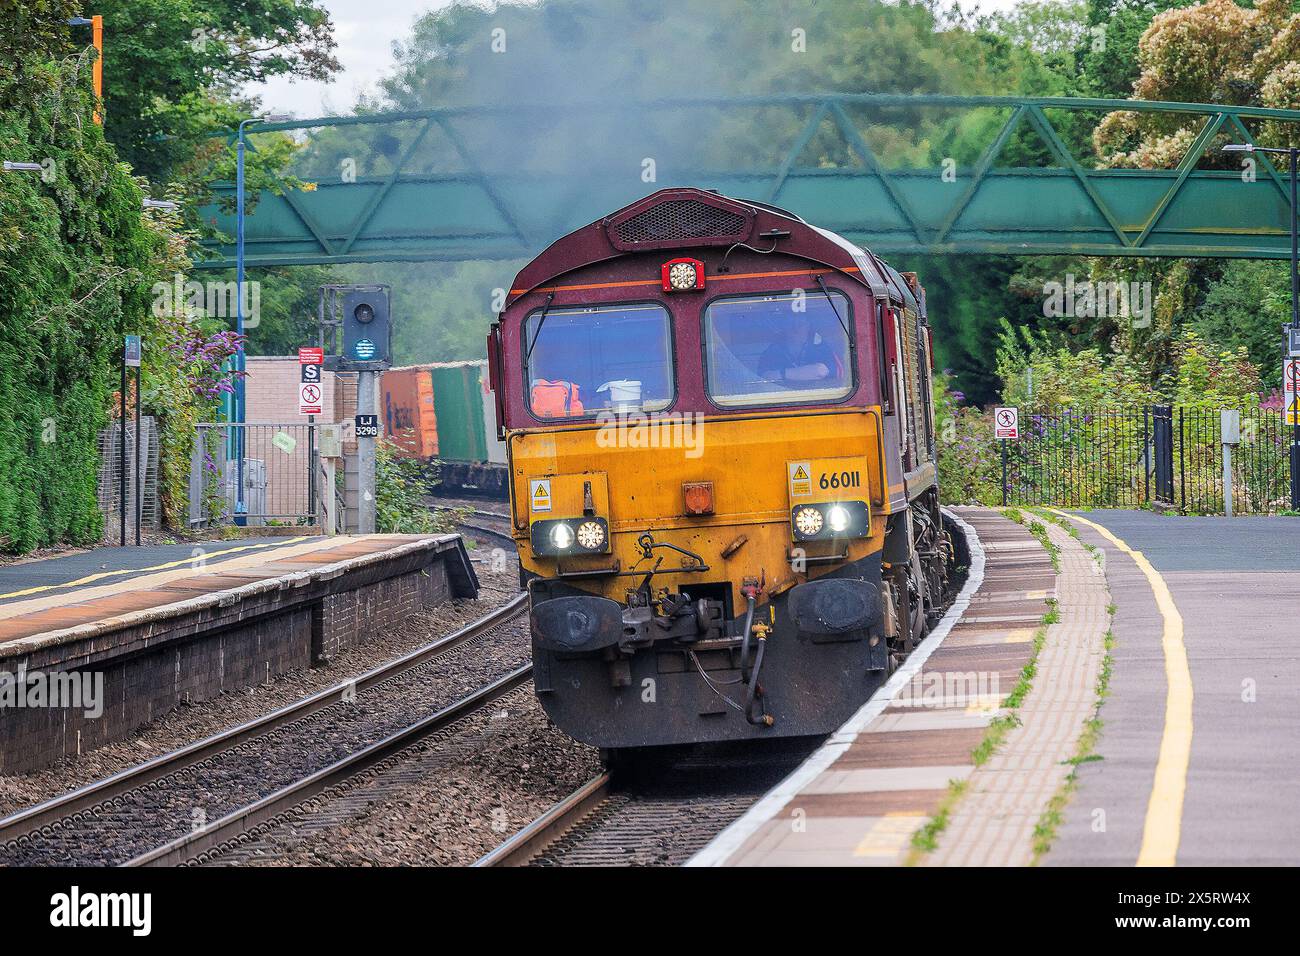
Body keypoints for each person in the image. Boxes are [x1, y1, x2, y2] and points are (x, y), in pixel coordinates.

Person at [757, 312, 843, 385]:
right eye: (791, 324)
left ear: (808, 327)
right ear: (784, 327)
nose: (795, 329)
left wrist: (782, 374)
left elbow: (820, 371)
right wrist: (805, 373)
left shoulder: (822, 348)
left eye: (800, 324)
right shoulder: (772, 351)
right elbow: (765, 377)